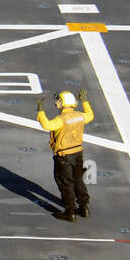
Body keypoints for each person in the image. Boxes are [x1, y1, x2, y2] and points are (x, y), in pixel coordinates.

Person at [36, 89, 93, 222]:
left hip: (63, 156)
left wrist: (40, 111)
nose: (56, 102)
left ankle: (70, 212)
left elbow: (47, 125)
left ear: (63, 103)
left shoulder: (61, 119)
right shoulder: (80, 116)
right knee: (78, 180)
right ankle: (84, 208)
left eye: (58, 100)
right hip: (78, 153)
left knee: (65, 183)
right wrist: (85, 101)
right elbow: (90, 115)